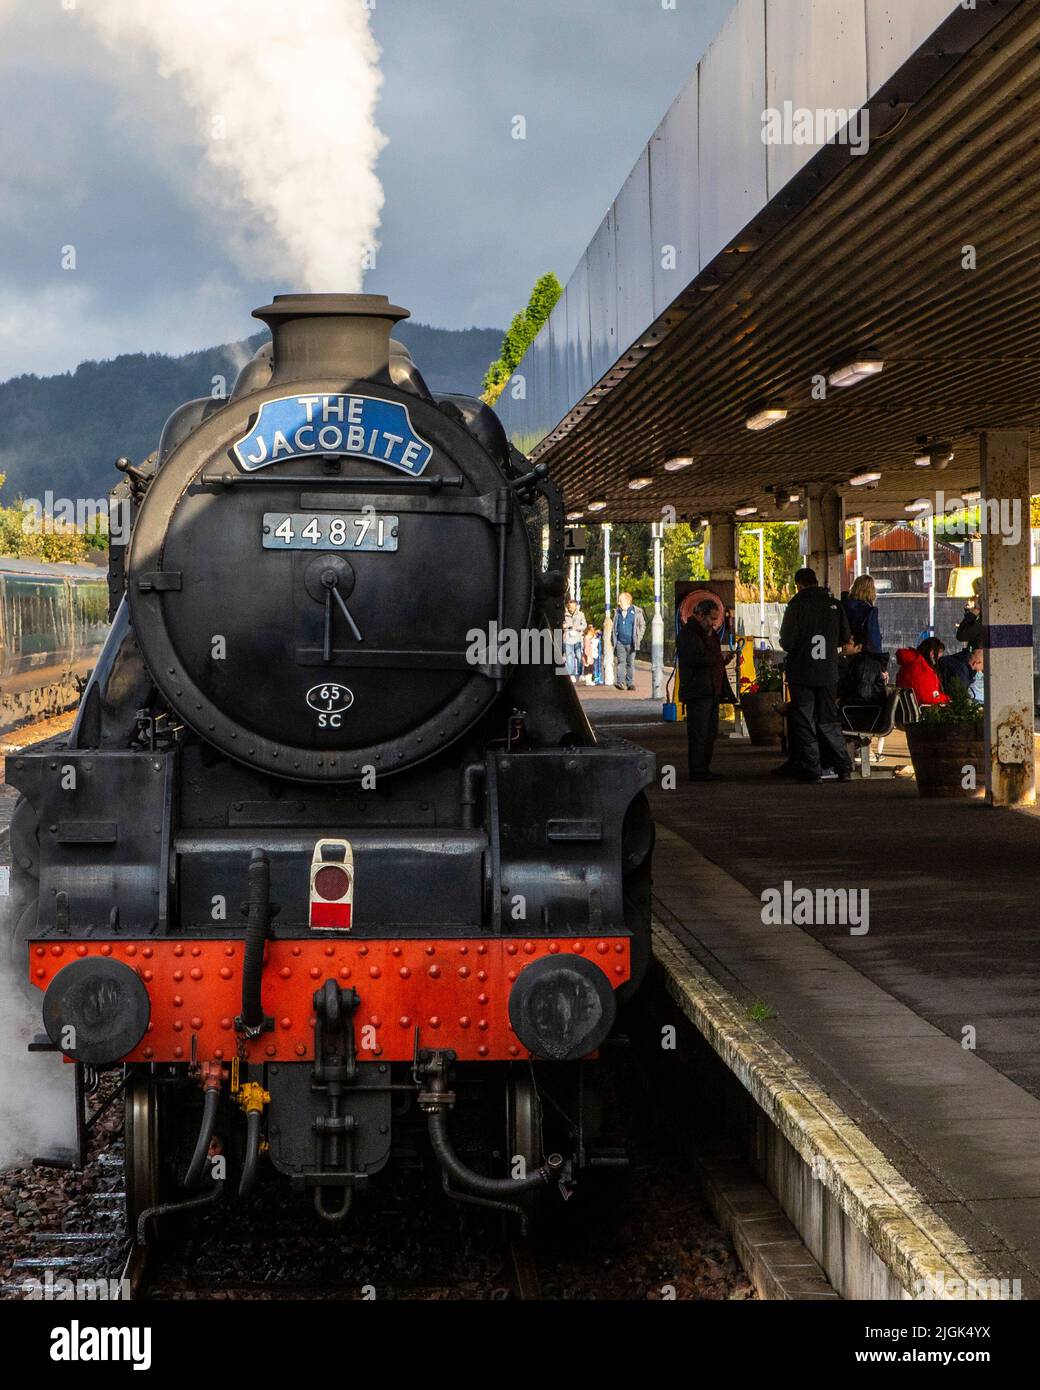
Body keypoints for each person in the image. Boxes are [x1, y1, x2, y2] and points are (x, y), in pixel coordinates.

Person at [778, 568, 854, 784]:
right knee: (829, 720)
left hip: (802, 673)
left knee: (804, 720)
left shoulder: (796, 605)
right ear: (816, 581)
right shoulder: (834, 604)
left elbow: (787, 642)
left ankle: (813, 770)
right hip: (828, 672)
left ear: (799, 585)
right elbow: (845, 638)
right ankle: (844, 768)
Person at [676, 599, 730, 781]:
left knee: (709, 731)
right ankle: (698, 770)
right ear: (699, 614)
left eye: (715, 619)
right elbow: (696, 658)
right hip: (698, 689)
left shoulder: (708, 633)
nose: (713, 623)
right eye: (711, 618)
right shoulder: (689, 635)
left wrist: (720, 659)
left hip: (710, 688)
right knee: (699, 732)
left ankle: (703, 768)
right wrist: (717, 658)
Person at [895, 637, 949, 705]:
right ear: (931, 652)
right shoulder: (921, 668)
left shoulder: (911, 663)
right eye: (939, 654)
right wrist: (946, 699)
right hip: (922, 711)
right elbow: (928, 698)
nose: (938, 659)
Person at [842, 575, 884, 656]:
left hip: (845, 651)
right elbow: (873, 641)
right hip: (862, 654)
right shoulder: (869, 611)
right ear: (871, 590)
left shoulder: (843, 606)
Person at [613, 591, 646, 691]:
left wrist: (638, 638)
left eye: (620, 601)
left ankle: (630, 683)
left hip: (632, 643)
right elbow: (614, 627)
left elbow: (642, 625)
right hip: (620, 642)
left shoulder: (636, 612)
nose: (618, 603)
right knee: (621, 662)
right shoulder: (617, 613)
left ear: (627, 601)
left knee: (630, 663)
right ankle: (620, 682)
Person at [562, 599, 587, 683]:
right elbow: (561, 624)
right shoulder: (564, 615)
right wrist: (566, 626)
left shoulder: (580, 614)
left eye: (573, 607)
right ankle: (571, 674)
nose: (571, 609)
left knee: (579, 656)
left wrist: (577, 628)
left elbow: (584, 625)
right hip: (567, 639)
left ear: (576, 606)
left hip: (577, 639)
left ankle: (580, 674)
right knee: (569, 657)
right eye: (570, 607)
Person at [956, 578, 984, 651]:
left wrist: (971, 615)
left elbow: (961, 635)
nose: (974, 598)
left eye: (977, 596)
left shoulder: (984, 621)